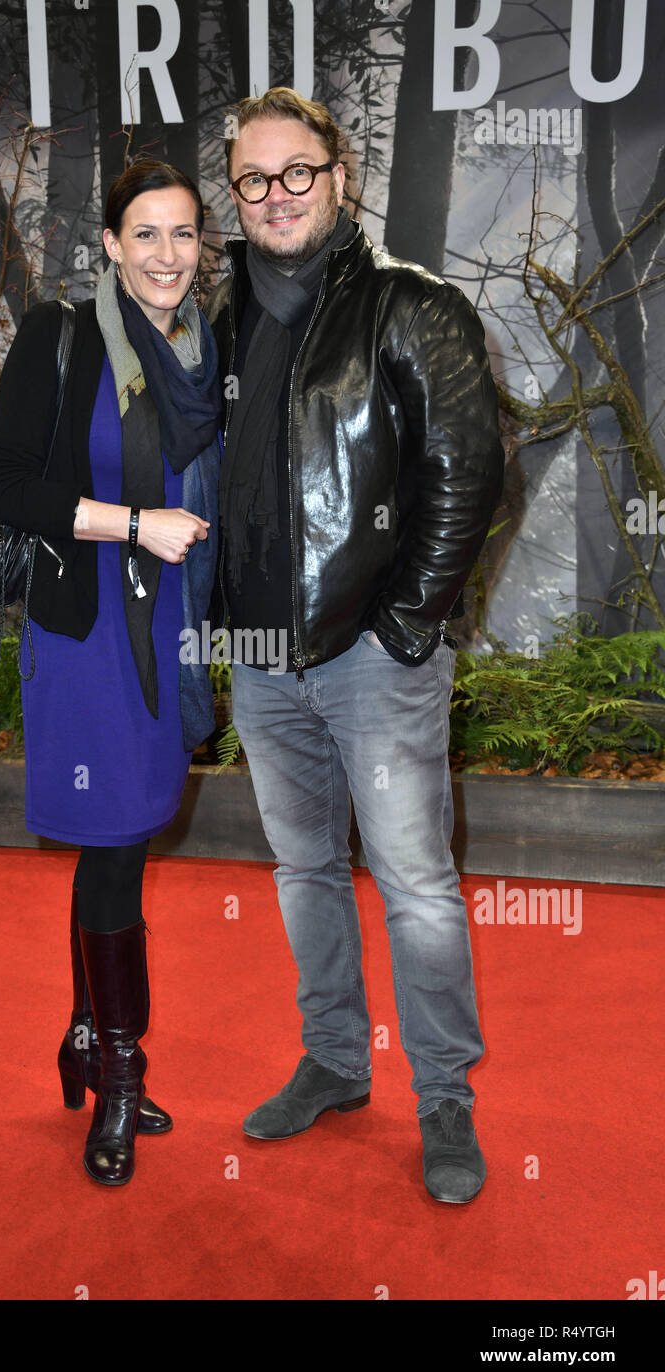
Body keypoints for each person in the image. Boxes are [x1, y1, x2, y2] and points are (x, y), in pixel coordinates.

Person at [203, 88, 504, 1203]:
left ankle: (444, 1099)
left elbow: (468, 474)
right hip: (262, 656)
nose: (276, 194)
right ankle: (334, 1059)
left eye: (297, 172)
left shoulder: (409, 308)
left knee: (417, 885)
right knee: (303, 871)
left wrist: (407, 621)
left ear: (340, 178)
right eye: (253, 179)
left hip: (376, 657)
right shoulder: (220, 322)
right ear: (235, 198)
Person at [0, 159, 222, 1186]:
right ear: (113, 246)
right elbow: (5, 483)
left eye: (185, 235)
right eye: (147, 235)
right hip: (87, 636)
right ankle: (121, 1074)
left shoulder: (211, 355)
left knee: (124, 835)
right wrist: (133, 525)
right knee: (118, 836)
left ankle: (86, 1032)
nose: (168, 256)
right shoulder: (63, 336)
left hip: (169, 625)